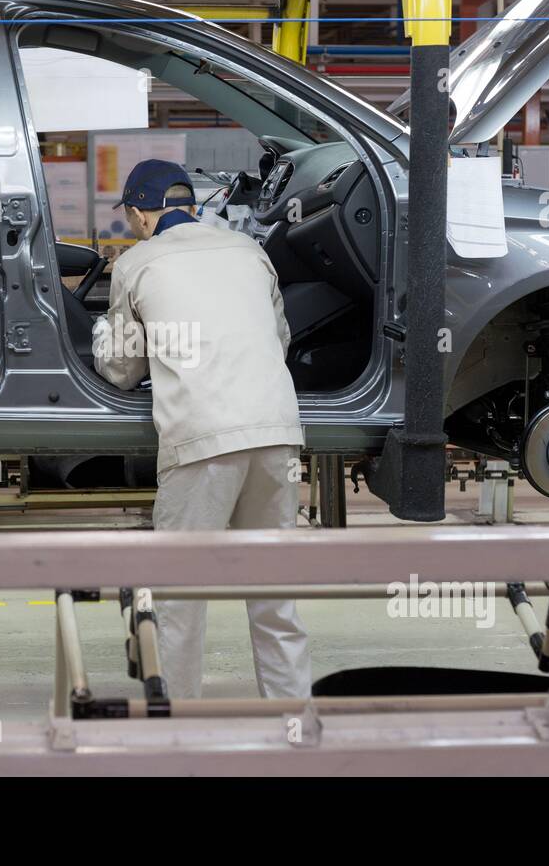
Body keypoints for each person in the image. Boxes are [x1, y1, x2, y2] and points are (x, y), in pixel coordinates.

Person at [92, 159, 310, 700]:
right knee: (276, 597)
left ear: (142, 214)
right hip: (276, 432)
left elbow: (121, 369)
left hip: (201, 440)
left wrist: (102, 332)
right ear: (190, 205)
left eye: (131, 217)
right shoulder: (249, 251)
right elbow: (278, 341)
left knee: (180, 597)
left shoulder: (137, 263)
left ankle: (176, 730)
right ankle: (293, 724)